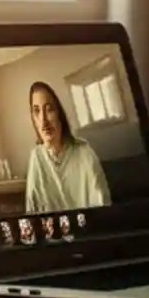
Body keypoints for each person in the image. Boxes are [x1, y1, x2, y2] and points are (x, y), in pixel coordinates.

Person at [23, 81, 112, 214]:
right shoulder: (36, 156)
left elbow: (103, 204)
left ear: (60, 114)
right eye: (36, 111)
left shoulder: (84, 151)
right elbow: (33, 212)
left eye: (49, 110)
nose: (43, 120)